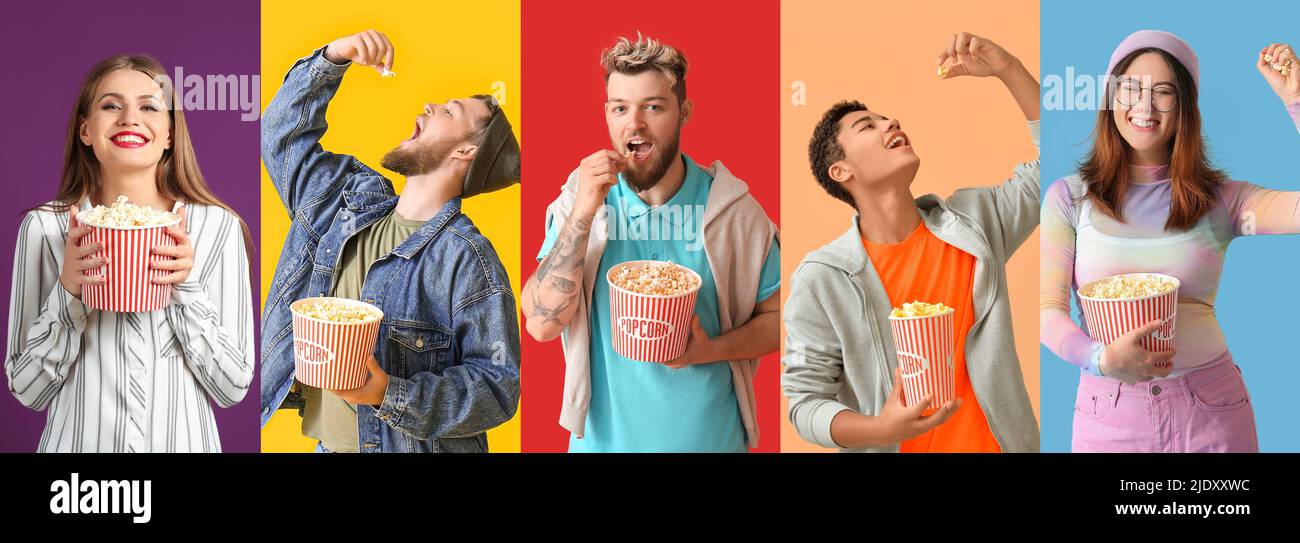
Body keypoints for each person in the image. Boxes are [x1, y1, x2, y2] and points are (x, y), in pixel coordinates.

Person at [259, 30, 521, 453]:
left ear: (467, 152)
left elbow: (497, 386)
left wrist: (390, 394)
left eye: (449, 111)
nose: (429, 106)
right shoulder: (343, 204)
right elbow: (280, 137)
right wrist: (333, 57)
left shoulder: (467, 259)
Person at [1041, 30, 1300, 452]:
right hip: (1109, 414)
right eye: (1130, 88)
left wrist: (1297, 98)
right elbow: (1045, 312)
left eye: (1163, 92)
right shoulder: (1069, 199)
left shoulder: (1223, 201)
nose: (1144, 105)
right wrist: (1101, 359)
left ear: (1184, 111)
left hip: (1212, 409)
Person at [522, 34, 781, 453]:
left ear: (685, 112)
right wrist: (586, 210)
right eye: (621, 108)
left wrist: (710, 350)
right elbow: (540, 324)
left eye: (653, 107)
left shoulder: (732, 210)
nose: (635, 124)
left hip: (711, 441)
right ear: (606, 114)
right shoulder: (579, 201)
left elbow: (783, 319)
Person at [784, 32, 1040, 452]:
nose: (891, 123)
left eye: (887, 118)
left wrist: (1008, 69)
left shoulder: (974, 223)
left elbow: (1064, 168)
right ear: (841, 171)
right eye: (868, 125)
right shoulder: (822, 279)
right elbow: (805, 403)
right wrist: (881, 430)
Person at [6, 54, 255, 452]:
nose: (129, 118)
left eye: (150, 106)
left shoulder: (217, 228)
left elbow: (234, 386)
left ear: (170, 133)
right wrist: (68, 293)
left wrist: (185, 288)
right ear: (85, 131)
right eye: (111, 105)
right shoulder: (44, 229)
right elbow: (26, 389)